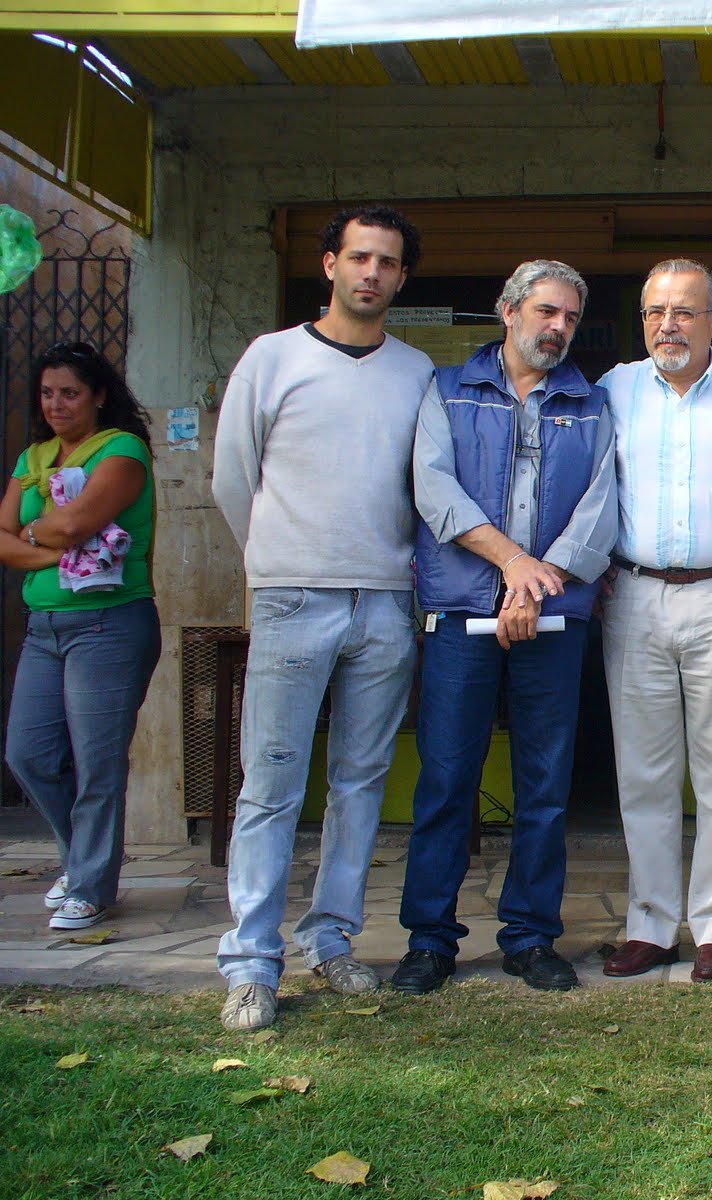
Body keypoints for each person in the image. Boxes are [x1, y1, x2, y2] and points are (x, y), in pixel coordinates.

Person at [212, 204, 433, 1031]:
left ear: (403, 277)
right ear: (330, 264)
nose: (371, 273)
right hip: (293, 596)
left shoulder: (415, 372)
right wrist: (275, 561)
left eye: (388, 262)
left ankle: (332, 940)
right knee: (270, 787)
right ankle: (251, 963)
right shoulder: (271, 359)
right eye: (359, 257)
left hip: (384, 601)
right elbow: (236, 481)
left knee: (360, 783)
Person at [392, 260, 616, 996]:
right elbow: (434, 488)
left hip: (553, 618)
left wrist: (537, 583)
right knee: (448, 779)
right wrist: (514, 565)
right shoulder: (447, 389)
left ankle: (530, 935)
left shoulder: (591, 401)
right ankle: (430, 940)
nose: (558, 329)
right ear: (509, 310)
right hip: (461, 613)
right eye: (546, 312)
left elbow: (601, 506)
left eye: (571, 319)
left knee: (545, 785)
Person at [596, 259, 712, 984]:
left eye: (683, 311)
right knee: (643, 770)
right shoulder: (613, 390)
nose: (666, 325)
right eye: (653, 312)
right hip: (634, 594)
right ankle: (648, 923)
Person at [0, 342, 160, 932]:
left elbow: (74, 522)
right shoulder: (34, 457)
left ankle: (91, 886)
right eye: (47, 393)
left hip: (108, 624)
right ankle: (82, 859)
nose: (56, 404)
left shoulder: (121, 450)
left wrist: (38, 533)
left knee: (97, 764)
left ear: (97, 395)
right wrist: (52, 554)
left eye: (69, 392)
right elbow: (1, 536)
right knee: (29, 754)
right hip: (44, 629)